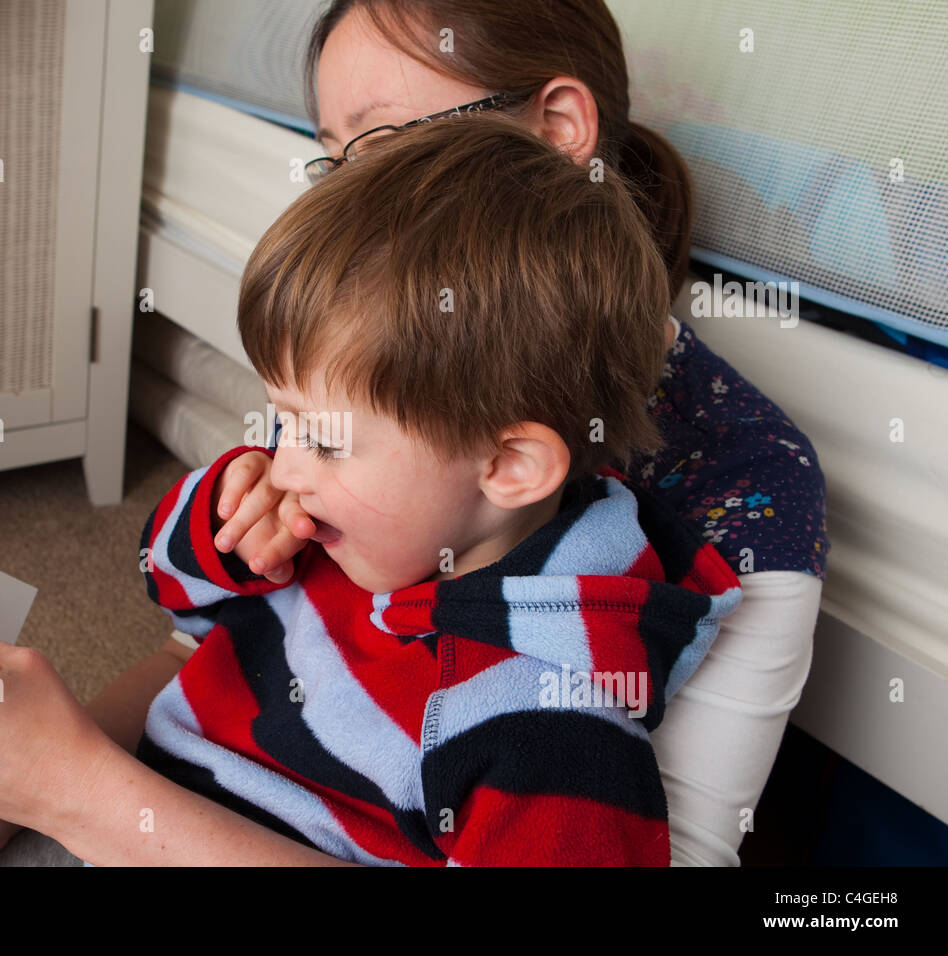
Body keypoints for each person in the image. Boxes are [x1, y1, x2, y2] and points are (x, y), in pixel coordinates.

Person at [0, 111, 741, 865]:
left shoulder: (548, 725)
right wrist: (224, 510)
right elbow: (166, 584)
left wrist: (67, 787)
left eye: (324, 437)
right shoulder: (365, 531)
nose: (283, 464)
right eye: (280, 418)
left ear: (509, 467)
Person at [240, 0, 828, 865]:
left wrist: (79, 789)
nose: (351, 194)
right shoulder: (354, 360)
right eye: (333, 161)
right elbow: (224, 659)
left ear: (557, 127)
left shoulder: (745, 481)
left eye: (382, 146)